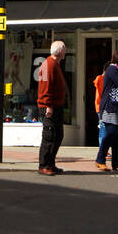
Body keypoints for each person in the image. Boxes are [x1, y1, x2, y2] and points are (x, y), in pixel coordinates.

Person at [37, 39, 68, 176]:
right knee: (49, 136)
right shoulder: (48, 65)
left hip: (56, 105)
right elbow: (46, 87)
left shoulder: (54, 64)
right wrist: (48, 105)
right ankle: (44, 165)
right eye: (65, 49)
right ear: (60, 51)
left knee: (58, 135)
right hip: (49, 106)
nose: (66, 52)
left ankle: (50, 163)